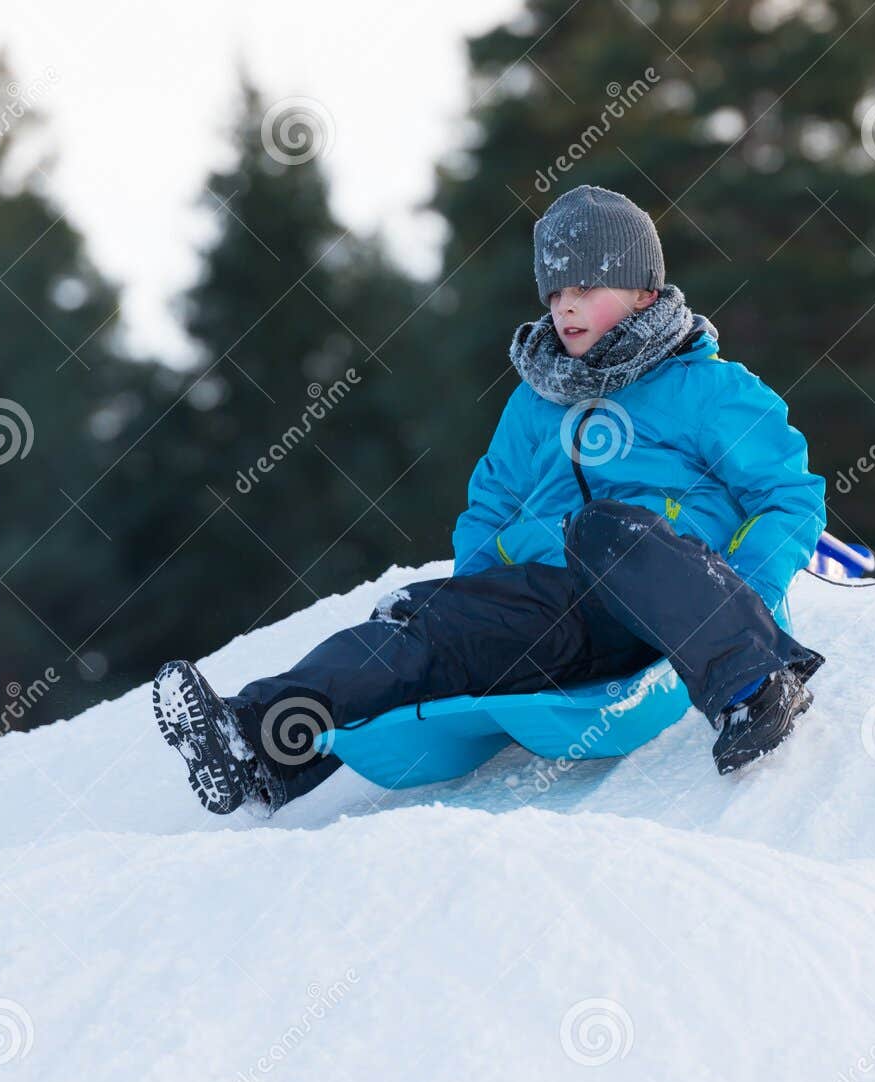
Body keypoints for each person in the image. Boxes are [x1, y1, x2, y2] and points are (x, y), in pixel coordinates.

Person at [155, 184, 826, 815]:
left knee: (603, 529)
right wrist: (480, 595)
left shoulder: (707, 388)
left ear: (646, 292)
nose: (564, 304)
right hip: (552, 607)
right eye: (555, 289)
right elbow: (490, 506)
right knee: (418, 624)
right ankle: (256, 743)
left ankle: (756, 683)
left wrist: (746, 590)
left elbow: (787, 495)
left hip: (666, 597)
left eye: (587, 286)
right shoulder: (536, 402)